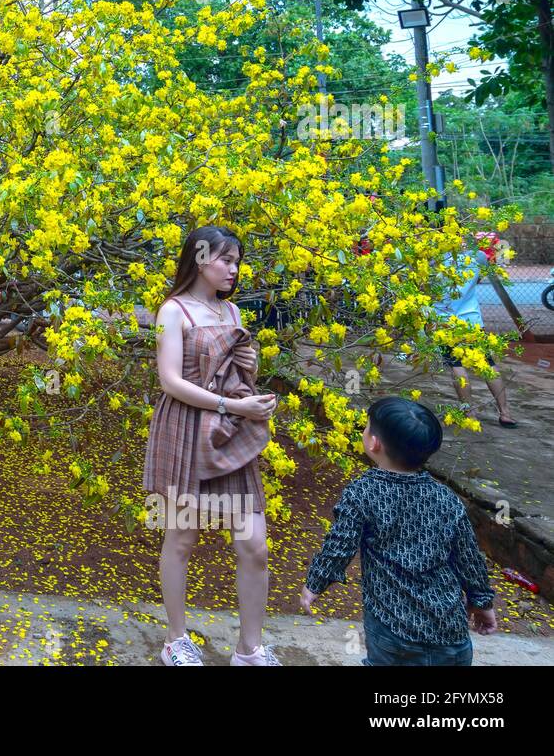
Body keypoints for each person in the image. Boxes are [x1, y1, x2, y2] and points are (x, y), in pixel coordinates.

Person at [144, 225, 280, 666]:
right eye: (226, 260)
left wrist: (251, 390)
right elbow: (170, 381)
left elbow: (237, 377)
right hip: (185, 431)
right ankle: (176, 640)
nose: (234, 269)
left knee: (254, 544)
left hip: (230, 436)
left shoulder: (233, 314)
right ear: (200, 258)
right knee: (182, 538)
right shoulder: (173, 311)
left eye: (237, 261)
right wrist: (230, 405)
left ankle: (249, 649)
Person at [301, 396, 498, 665]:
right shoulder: (446, 498)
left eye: (367, 427)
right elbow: (468, 557)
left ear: (374, 443)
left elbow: (340, 545)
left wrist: (315, 583)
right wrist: (482, 602)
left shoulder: (362, 493)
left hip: (392, 630)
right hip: (449, 631)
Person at [432, 245, 517, 428]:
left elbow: (425, 287)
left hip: (444, 320)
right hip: (472, 319)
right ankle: (505, 412)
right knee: (487, 363)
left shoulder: (434, 255)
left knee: (456, 364)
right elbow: (477, 280)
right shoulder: (478, 256)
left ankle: (469, 412)